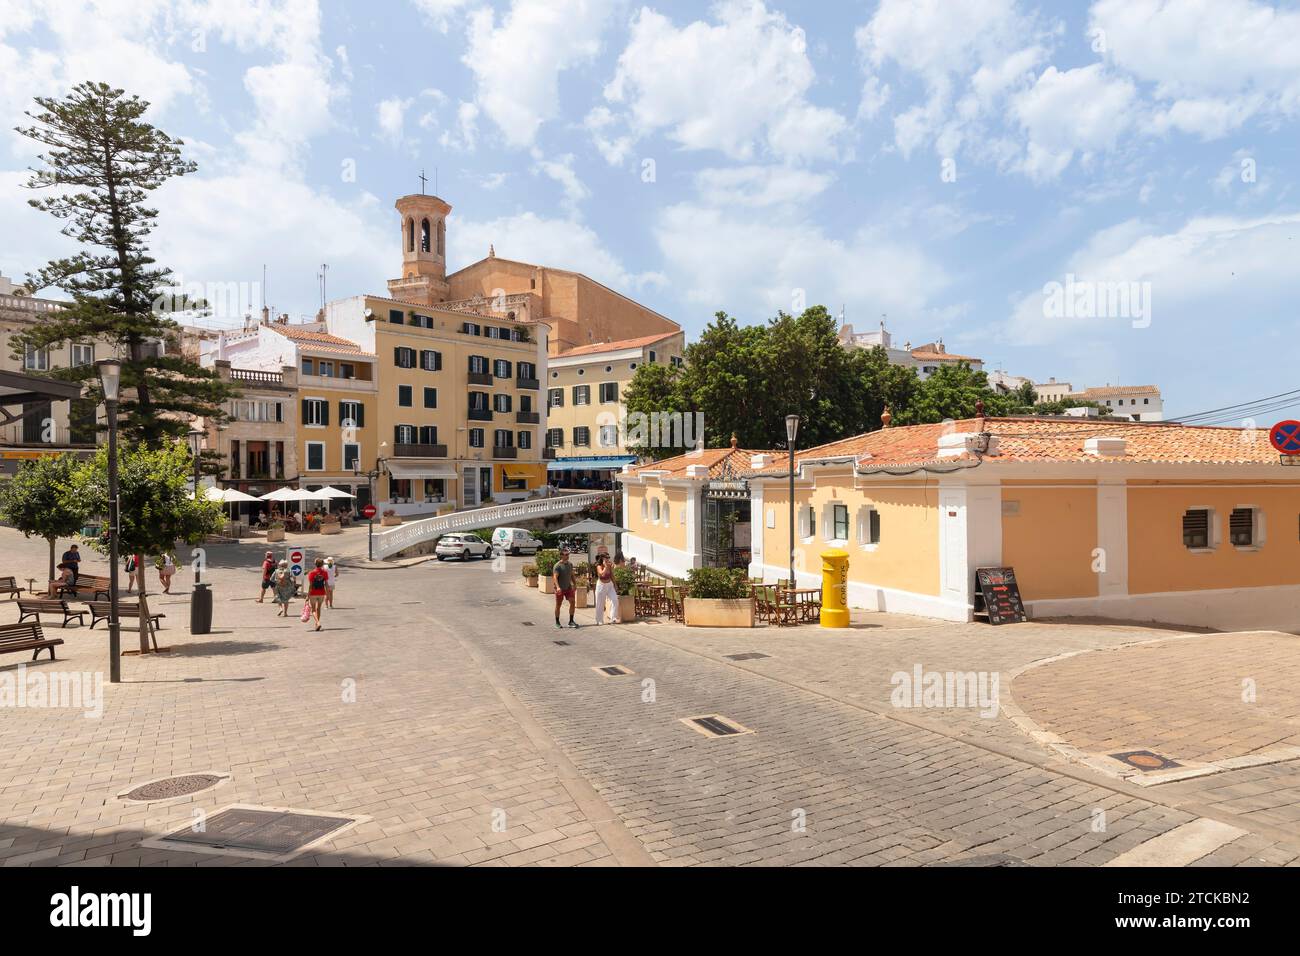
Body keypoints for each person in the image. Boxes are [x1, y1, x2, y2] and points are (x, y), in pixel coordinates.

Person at [553, 547, 578, 630]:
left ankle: (571, 621)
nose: (567, 556)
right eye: (566, 555)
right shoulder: (557, 566)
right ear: (561, 555)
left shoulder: (570, 564)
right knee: (558, 605)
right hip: (560, 589)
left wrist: (575, 584)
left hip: (568, 587)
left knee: (572, 602)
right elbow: (555, 577)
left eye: (568, 554)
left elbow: (572, 575)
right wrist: (558, 587)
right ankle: (557, 622)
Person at [594, 554, 620, 625]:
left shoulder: (609, 565)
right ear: (602, 558)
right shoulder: (599, 566)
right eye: (607, 558)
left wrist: (615, 585)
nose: (608, 559)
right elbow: (601, 574)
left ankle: (613, 618)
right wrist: (605, 567)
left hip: (609, 585)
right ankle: (599, 620)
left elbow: (612, 575)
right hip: (601, 586)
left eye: (609, 557)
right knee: (600, 603)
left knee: (615, 600)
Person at [305, 557, 329, 631]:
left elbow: (310, 585)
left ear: (315, 564)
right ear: (322, 564)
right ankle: (317, 624)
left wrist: (308, 595)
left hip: (313, 593)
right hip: (321, 593)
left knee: (313, 610)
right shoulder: (325, 572)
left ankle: (317, 623)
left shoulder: (312, 573)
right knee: (319, 608)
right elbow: (326, 584)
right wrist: (327, 594)